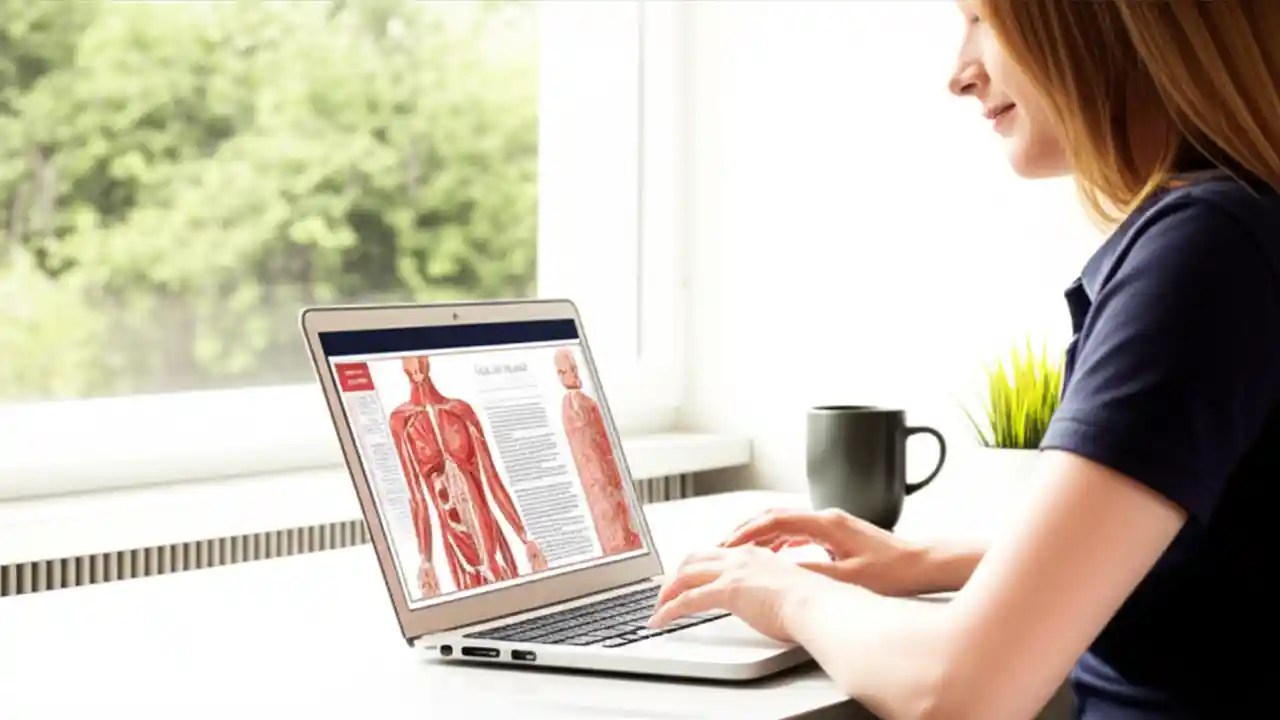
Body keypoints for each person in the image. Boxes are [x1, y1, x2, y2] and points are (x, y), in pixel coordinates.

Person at [648, 1, 1280, 718]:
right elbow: (1219, 567)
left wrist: (782, 591)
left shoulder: (1206, 255)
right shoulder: (1244, 229)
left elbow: (959, 691)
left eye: (984, 18)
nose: (960, 74)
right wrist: (926, 563)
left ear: (1103, 20)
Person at [388, 356, 548, 598]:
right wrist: (425, 560)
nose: (417, 369)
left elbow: (492, 479)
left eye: (420, 361)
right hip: (456, 544)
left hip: (490, 535)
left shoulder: (461, 410)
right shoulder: (402, 421)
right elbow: (417, 497)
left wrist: (526, 537)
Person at [555, 347, 644, 555]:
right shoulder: (572, 405)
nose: (573, 375)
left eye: (574, 368)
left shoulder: (587, 403)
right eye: (566, 371)